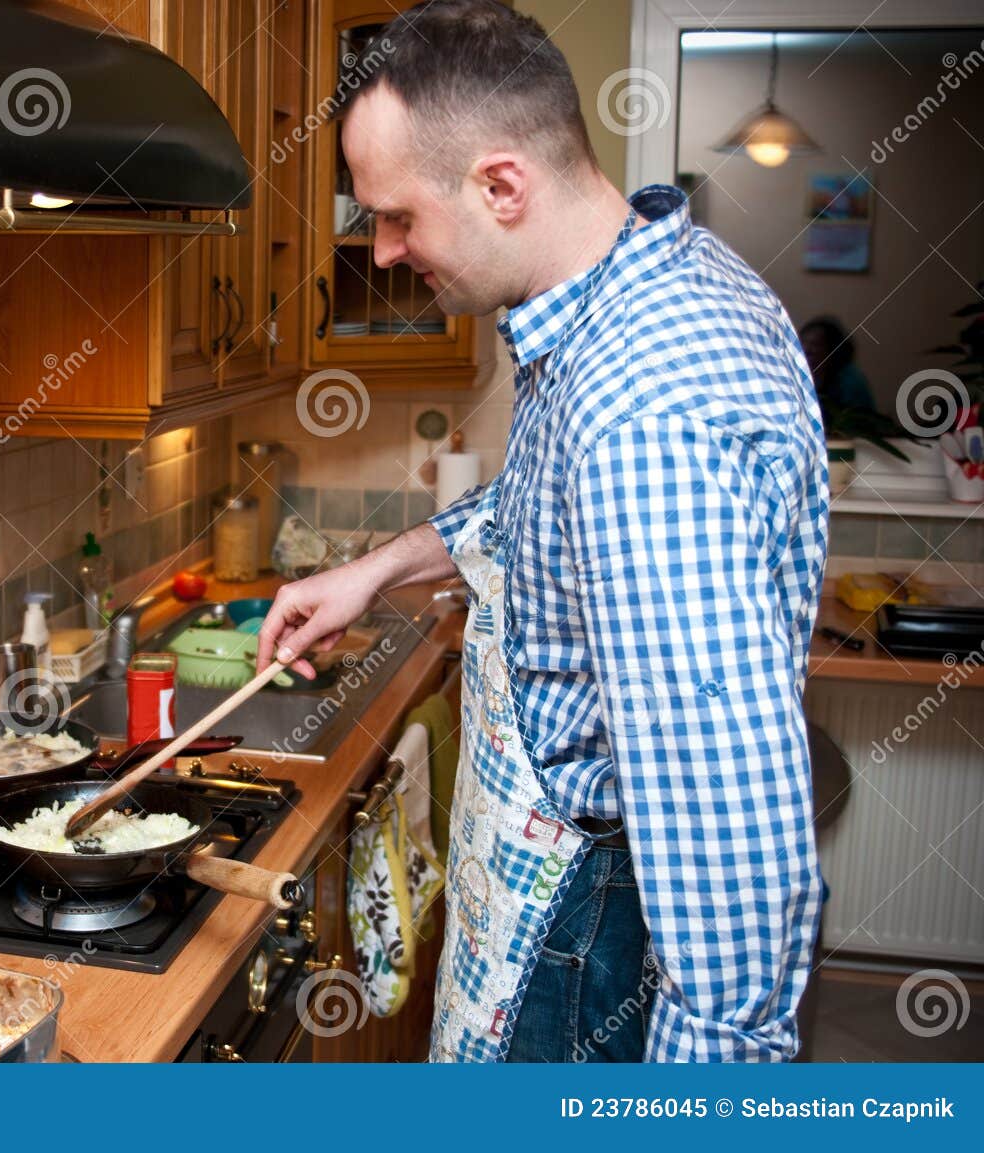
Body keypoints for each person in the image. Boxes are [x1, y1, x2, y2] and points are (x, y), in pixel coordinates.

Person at [257, 0, 825, 1062]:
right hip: (563, 917)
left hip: (591, 948)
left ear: (501, 185)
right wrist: (375, 570)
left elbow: (724, 819)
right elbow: (535, 509)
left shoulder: (647, 412)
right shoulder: (637, 291)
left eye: (396, 217)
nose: (380, 253)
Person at [798, 315, 876, 411]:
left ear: (832, 350)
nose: (806, 349)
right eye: (803, 343)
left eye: (815, 344)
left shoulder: (850, 381)